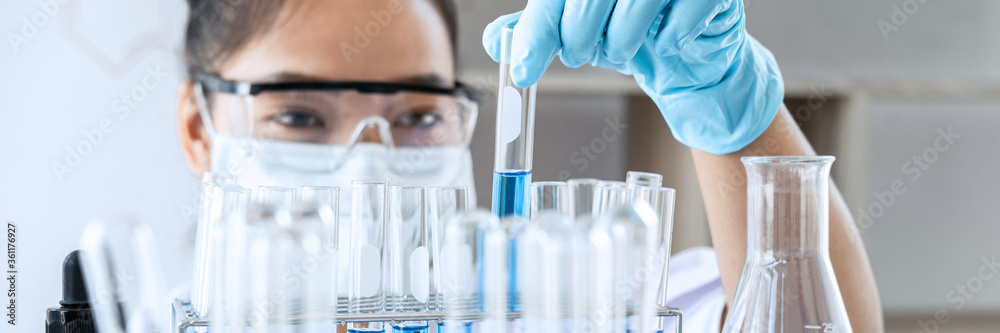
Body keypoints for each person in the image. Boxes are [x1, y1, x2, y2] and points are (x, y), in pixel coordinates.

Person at [174, 0, 883, 331]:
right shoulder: (133, 314)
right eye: (298, 114)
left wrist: (735, 112)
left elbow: (823, 317)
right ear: (196, 124)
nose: (367, 161)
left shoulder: (581, 289)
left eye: (418, 115)